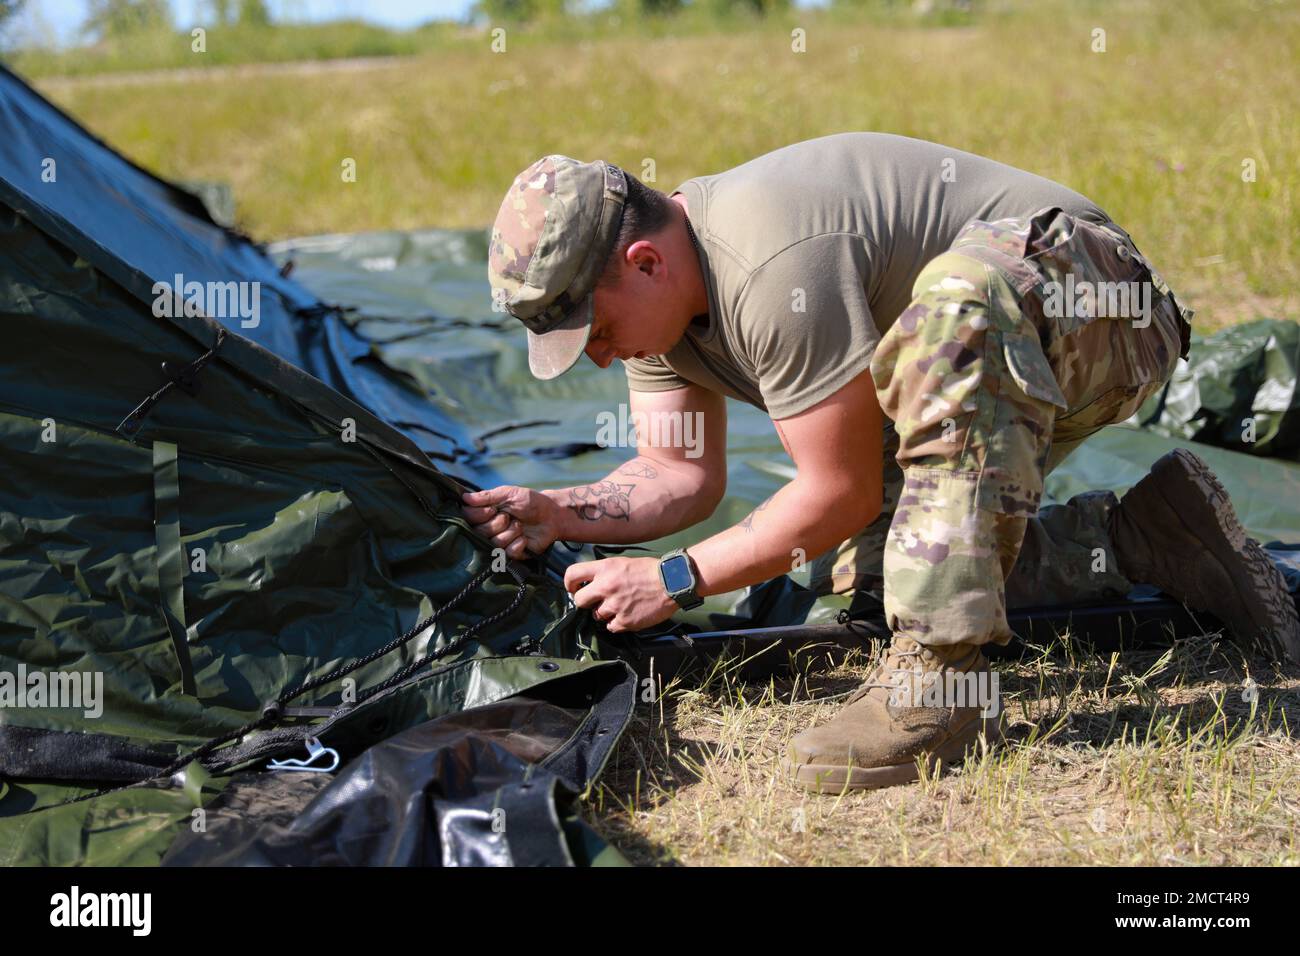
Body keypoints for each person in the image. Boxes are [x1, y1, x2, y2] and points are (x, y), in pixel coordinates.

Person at [464, 133, 1300, 792]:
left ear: (644, 263)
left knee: (954, 315)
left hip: (1096, 303)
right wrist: (559, 510)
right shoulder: (660, 314)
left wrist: (677, 578)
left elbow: (840, 485)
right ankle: (1141, 538)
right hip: (991, 365)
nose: (601, 360)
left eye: (597, 334)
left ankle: (940, 689)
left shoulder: (767, 263)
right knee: (874, 573)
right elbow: (679, 474)